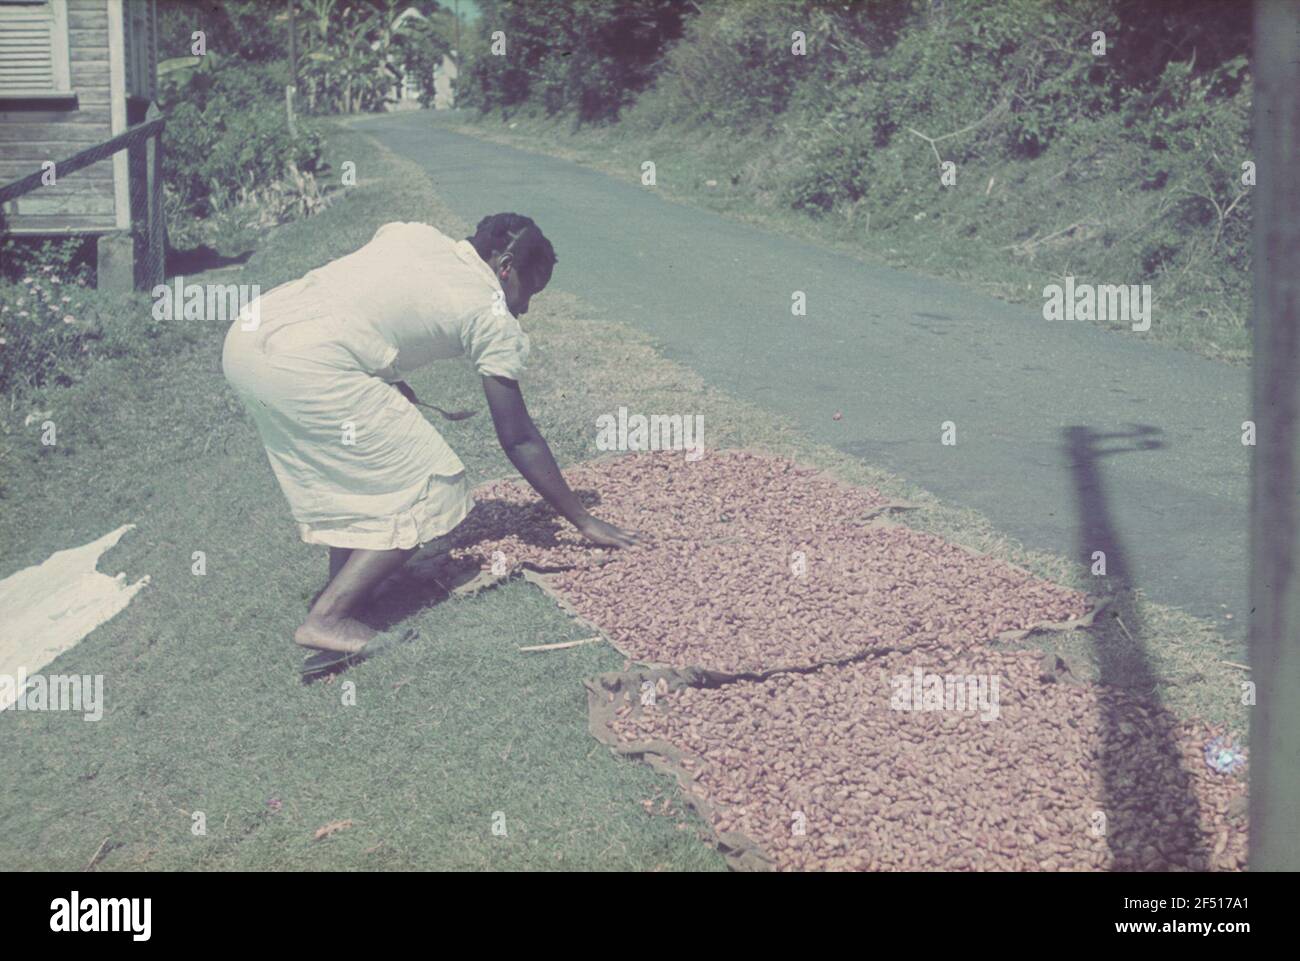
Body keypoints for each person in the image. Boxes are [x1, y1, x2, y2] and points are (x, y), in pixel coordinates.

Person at [222, 214, 644, 669]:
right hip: (308, 364)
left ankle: (352, 591)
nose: (524, 307)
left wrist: (382, 375)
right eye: (529, 291)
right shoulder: (491, 313)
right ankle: (328, 618)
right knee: (431, 484)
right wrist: (583, 521)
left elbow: (368, 301)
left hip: (251, 336)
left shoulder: (414, 233)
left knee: (360, 467)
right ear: (505, 267)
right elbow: (517, 437)